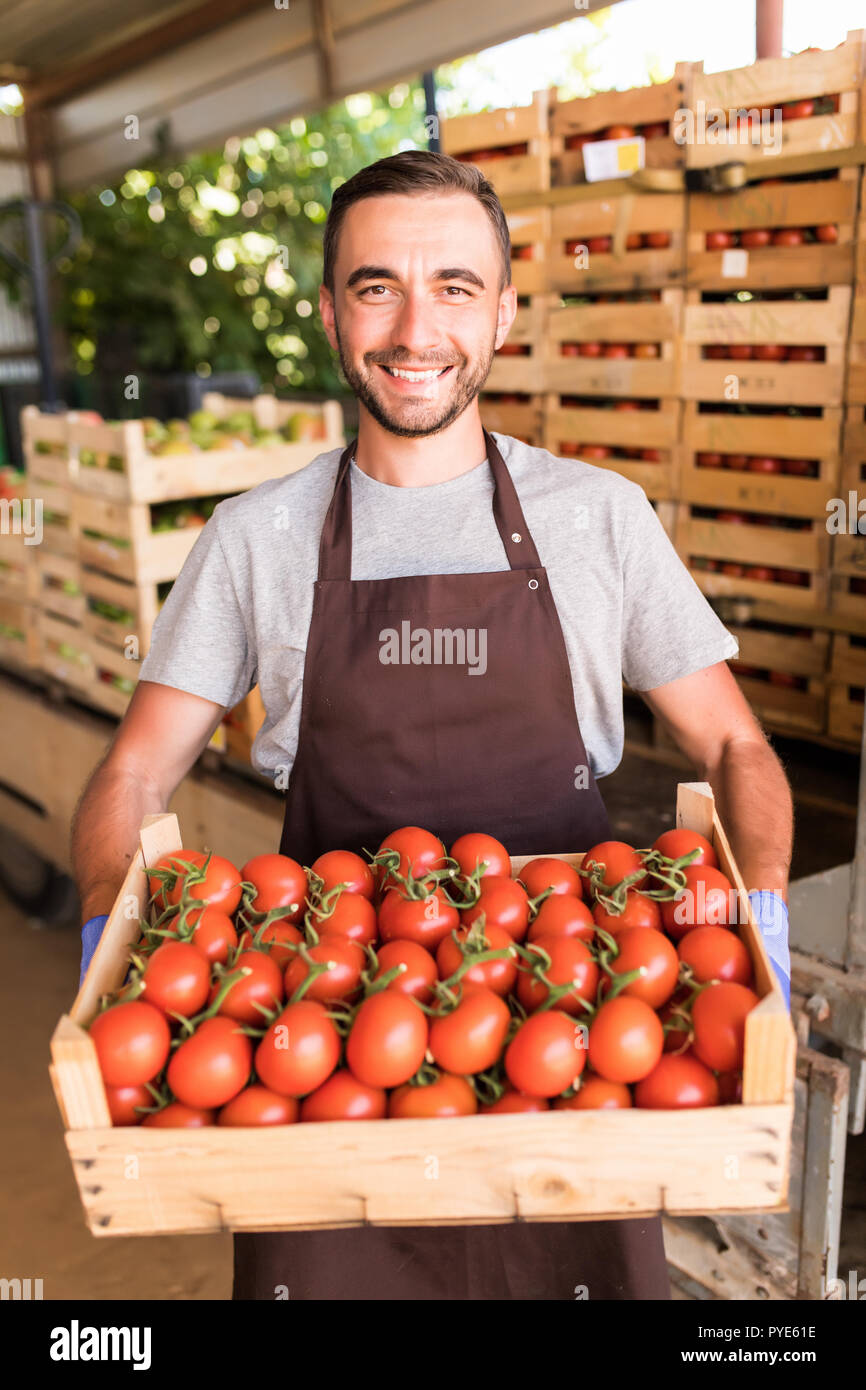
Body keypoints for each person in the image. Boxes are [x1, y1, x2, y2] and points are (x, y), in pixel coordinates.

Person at [72, 149, 793, 1301]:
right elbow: (134, 769)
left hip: (574, 1017)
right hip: (321, 1038)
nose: (416, 329)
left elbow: (734, 748)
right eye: (376, 288)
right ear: (327, 311)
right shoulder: (255, 537)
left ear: (503, 311)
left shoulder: (596, 519)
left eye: (454, 286)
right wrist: (112, 937)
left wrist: (758, 902)